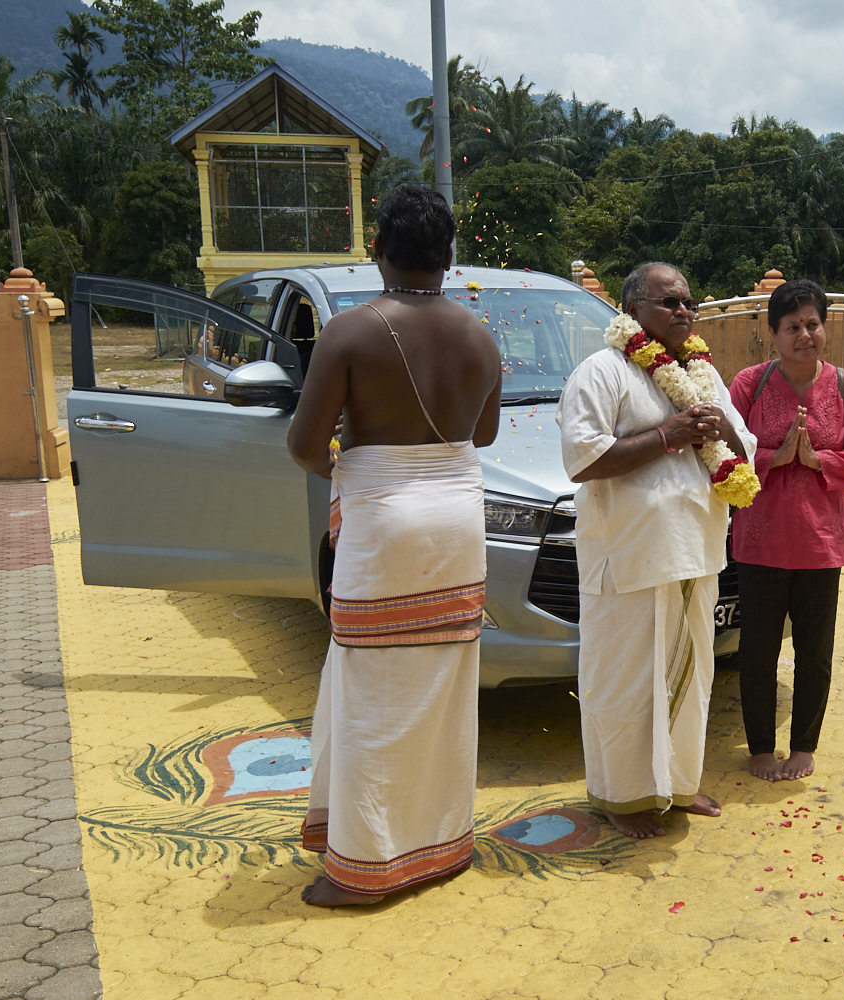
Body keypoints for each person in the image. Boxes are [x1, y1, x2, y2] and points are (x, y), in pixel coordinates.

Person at [286, 185, 502, 904]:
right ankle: (440, 847)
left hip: (384, 527)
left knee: (372, 694)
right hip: (458, 522)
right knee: (441, 691)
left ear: (377, 248)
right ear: (448, 256)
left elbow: (303, 445)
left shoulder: (350, 330)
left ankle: (366, 868)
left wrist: (347, 467)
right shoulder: (480, 335)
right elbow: (486, 436)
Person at [557, 262, 755, 839]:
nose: (684, 312)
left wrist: (721, 425)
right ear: (632, 309)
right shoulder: (601, 371)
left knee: (691, 677)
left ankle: (678, 785)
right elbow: (585, 459)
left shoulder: (703, 373)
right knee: (624, 681)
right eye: (669, 302)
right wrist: (669, 434)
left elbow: (743, 446)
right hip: (628, 558)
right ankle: (622, 796)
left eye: (688, 302)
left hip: (696, 552)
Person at [728, 280, 844, 782]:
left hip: (820, 546)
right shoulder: (748, 385)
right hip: (759, 544)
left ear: (824, 328)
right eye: (792, 326)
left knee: (814, 652)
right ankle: (758, 747)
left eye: (813, 324)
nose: (804, 335)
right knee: (757, 651)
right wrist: (774, 456)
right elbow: (723, 455)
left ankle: (803, 746)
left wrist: (819, 459)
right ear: (773, 333)